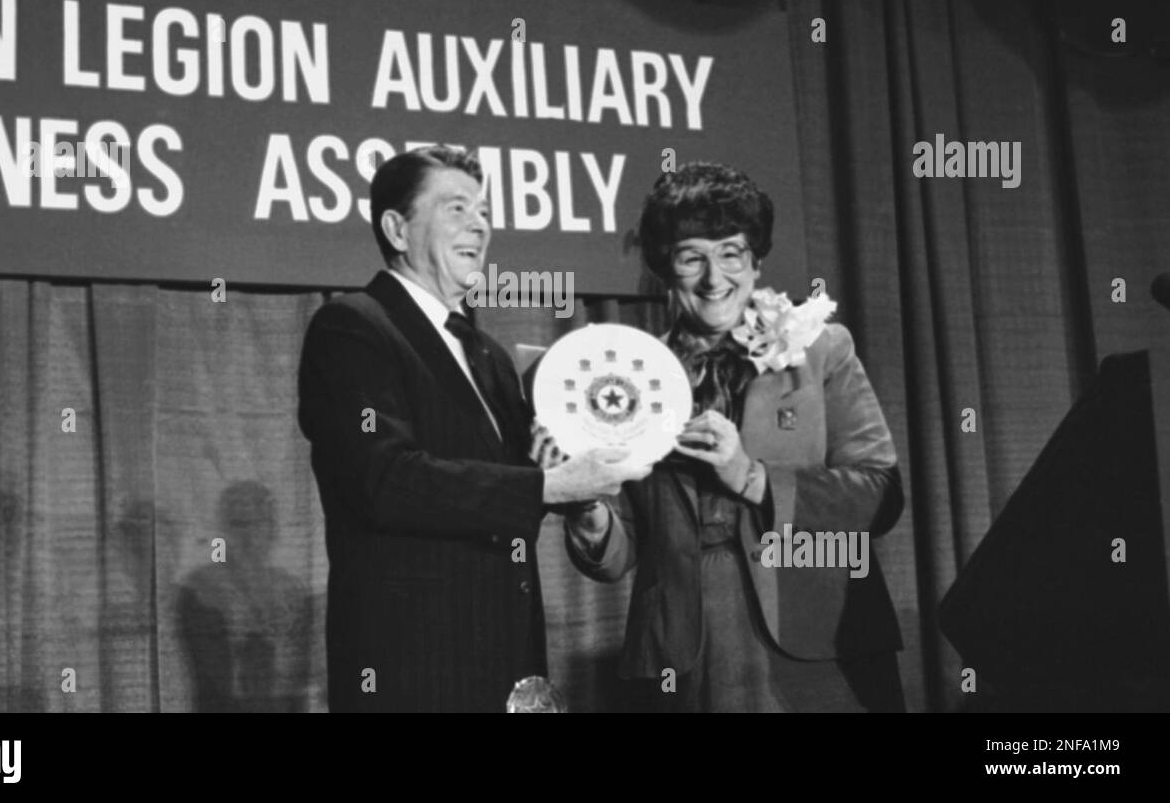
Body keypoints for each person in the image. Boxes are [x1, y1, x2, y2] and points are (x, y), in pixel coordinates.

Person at [297, 144, 647, 713]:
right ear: (397, 228)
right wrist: (548, 487)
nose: (480, 224)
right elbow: (383, 478)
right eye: (456, 208)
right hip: (414, 671)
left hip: (509, 668)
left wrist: (578, 499)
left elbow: (512, 492)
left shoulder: (489, 356)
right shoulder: (353, 328)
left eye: (484, 210)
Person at [558, 162, 905, 712]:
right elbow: (621, 551)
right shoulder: (632, 376)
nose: (714, 278)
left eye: (730, 254)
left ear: (755, 260)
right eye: (692, 257)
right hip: (685, 658)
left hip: (815, 640)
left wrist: (750, 477)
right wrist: (586, 513)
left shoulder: (821, 350)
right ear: (665, 268)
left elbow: (879, 495)